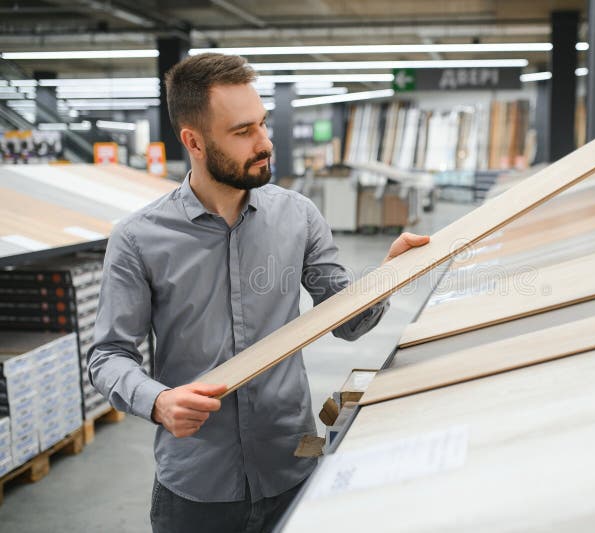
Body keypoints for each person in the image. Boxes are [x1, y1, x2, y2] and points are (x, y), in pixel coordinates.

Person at [87, 53, 430, 533]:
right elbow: (108, 355)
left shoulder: (298, 216)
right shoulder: (138, 238)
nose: (265, 142)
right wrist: (158, 401)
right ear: (194, 142)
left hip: (291, 467)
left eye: (263, 124)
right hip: (197, 486)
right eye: (242, 131)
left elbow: (348, 322)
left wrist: (388, 276)